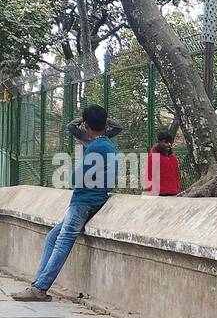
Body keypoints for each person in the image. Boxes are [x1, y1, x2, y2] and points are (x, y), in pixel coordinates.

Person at [12, 104, 121, 302]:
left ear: (86, 125)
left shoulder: (96, 146)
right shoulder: (107, 144)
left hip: (84, 201)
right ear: (105, 124)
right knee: (53, 237)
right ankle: (38, 283)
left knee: (63, 240)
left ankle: (40, 287)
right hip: (95, 198)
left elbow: (76, 179)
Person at [144, 130, 181, 195]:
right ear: (159, 142)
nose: (169, 144)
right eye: (166, 142)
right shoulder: (153, 157)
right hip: (159, 194)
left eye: (170, 142)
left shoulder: (173, 158)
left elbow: (177, 175)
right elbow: (148, 176)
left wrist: (177, 189)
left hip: (174, 192)